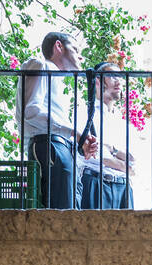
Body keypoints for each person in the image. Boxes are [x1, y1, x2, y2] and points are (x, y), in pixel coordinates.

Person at [18, 31, 98, 209]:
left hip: (60, 148)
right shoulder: (40, 65)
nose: (81, 56)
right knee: (62, 213)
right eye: (75, 49)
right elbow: (31, 111)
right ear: (58, 46)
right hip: (49, 147)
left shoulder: (58, 79)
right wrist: (74, 132)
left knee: (69, 210)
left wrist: (80, 140)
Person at [78, 62, 136, 210]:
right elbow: (94, 153)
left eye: (120, 76)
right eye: (112, 76)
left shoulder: (121, 120)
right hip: (96, 184)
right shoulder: (86, 113)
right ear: (97, 80)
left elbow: (134, 161)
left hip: (123, 188)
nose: (118, 80)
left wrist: (112, 150)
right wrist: (122, 163)